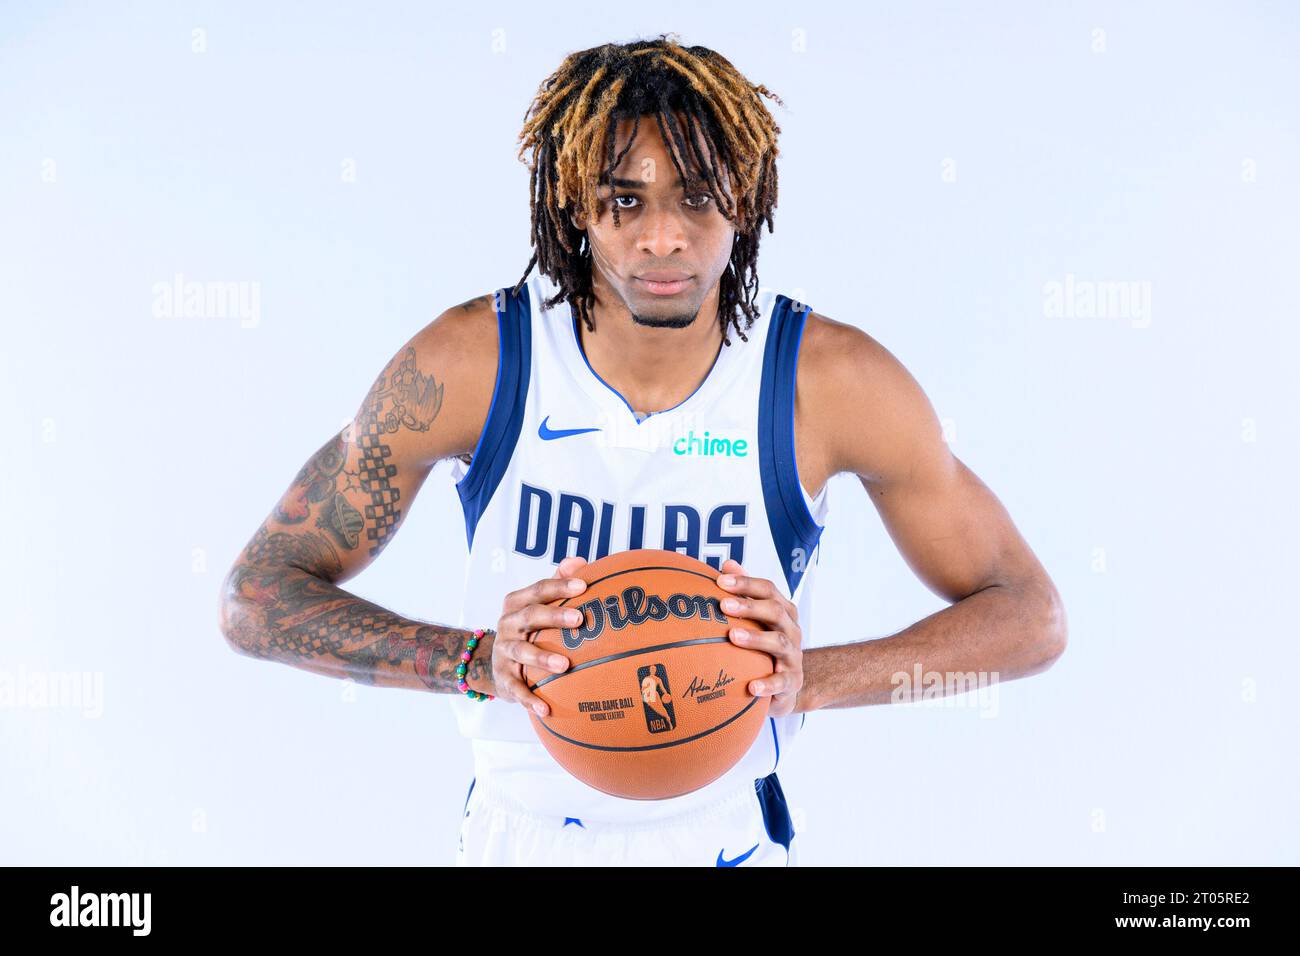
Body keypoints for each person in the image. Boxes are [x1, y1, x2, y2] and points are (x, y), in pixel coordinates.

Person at [218, 34, 1067, 867]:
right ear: (573, 205)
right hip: (519, 836)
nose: (664, 237)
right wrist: (474, 660)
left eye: (698, 198)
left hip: (723, 836)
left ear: (747, 198)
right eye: (624, 200)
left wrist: (814, 675)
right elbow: (256, 596)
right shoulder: (475, 365)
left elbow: (1030, 617)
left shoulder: (828, 382)